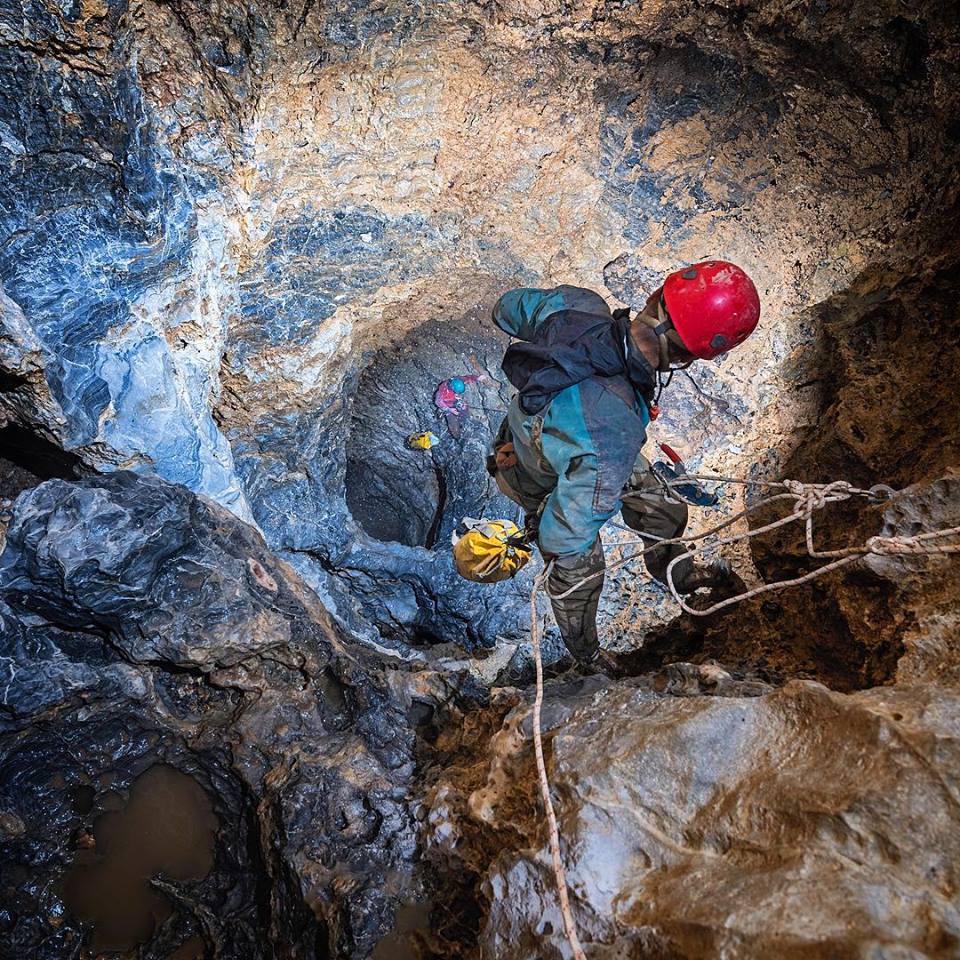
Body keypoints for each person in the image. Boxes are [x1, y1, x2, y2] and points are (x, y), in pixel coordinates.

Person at [487, 261, 760, 666]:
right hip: (537, 474)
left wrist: (555, 327)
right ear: (689, 358)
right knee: (579, 567)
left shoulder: (578, 304)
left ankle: (677, 576)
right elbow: (566, 537)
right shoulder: (613, 428)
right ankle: (587, 653)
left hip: (537, 435)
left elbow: (506, 309)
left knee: (662, 509)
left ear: (655, 296)